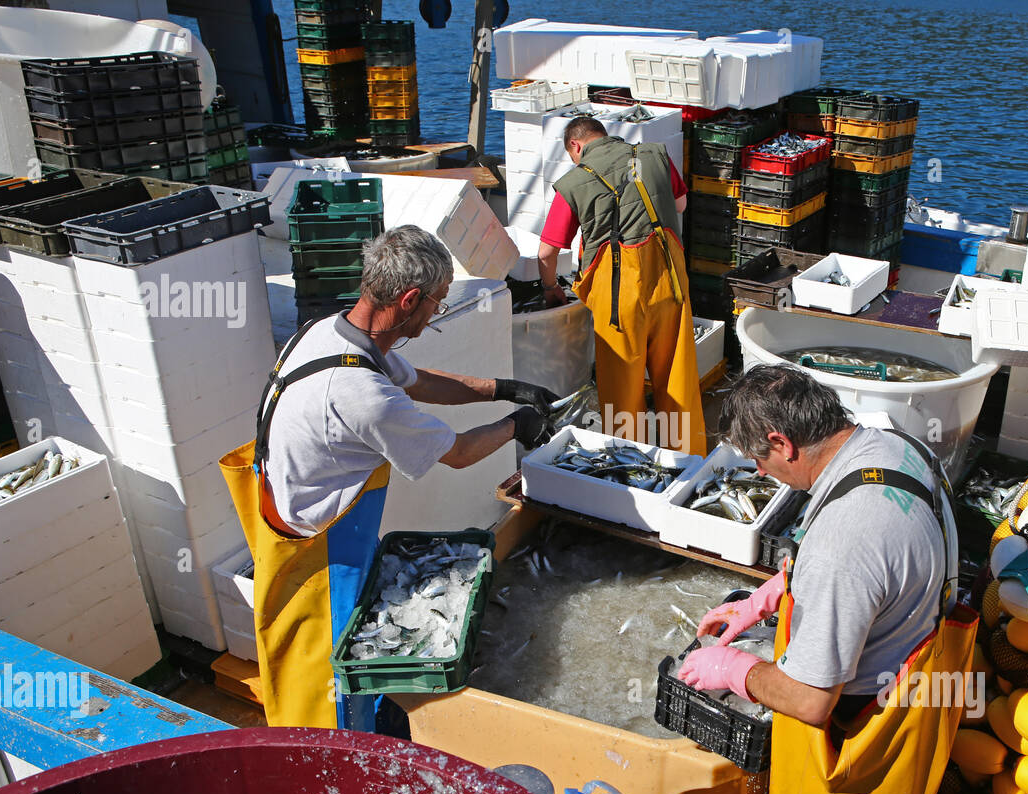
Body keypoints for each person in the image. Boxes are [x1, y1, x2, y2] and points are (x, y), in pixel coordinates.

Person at [221, 225, 557, 730]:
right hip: (318, 556)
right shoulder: (360, 392)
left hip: (300, 521)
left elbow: (419, 382)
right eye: (437, 304)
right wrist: (517, 425)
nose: (436, 315)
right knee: (328, 685)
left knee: (348, 664)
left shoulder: (331, 333)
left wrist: (506, 389)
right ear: (409, 300)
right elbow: (461, 453)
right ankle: (336, 759)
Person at [678, 365, 977, 794]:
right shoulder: (891, 444)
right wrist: (766, 596)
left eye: (758, 457)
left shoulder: (845, 544)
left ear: (782, 442)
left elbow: (811, 699)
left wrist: (732, 670)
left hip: (862, 728)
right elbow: (882, 562)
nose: (757, 472)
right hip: (927, 667)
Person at [536, 116, 706, 456]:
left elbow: (546, 252)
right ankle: (686, 459)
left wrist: (551, 288)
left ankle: (633, 463)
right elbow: (680, 204)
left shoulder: (574, 181)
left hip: (619, 298)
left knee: (622, 391)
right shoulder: (653, 154)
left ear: (576, 145)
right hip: (669, 284)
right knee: (677, 379)